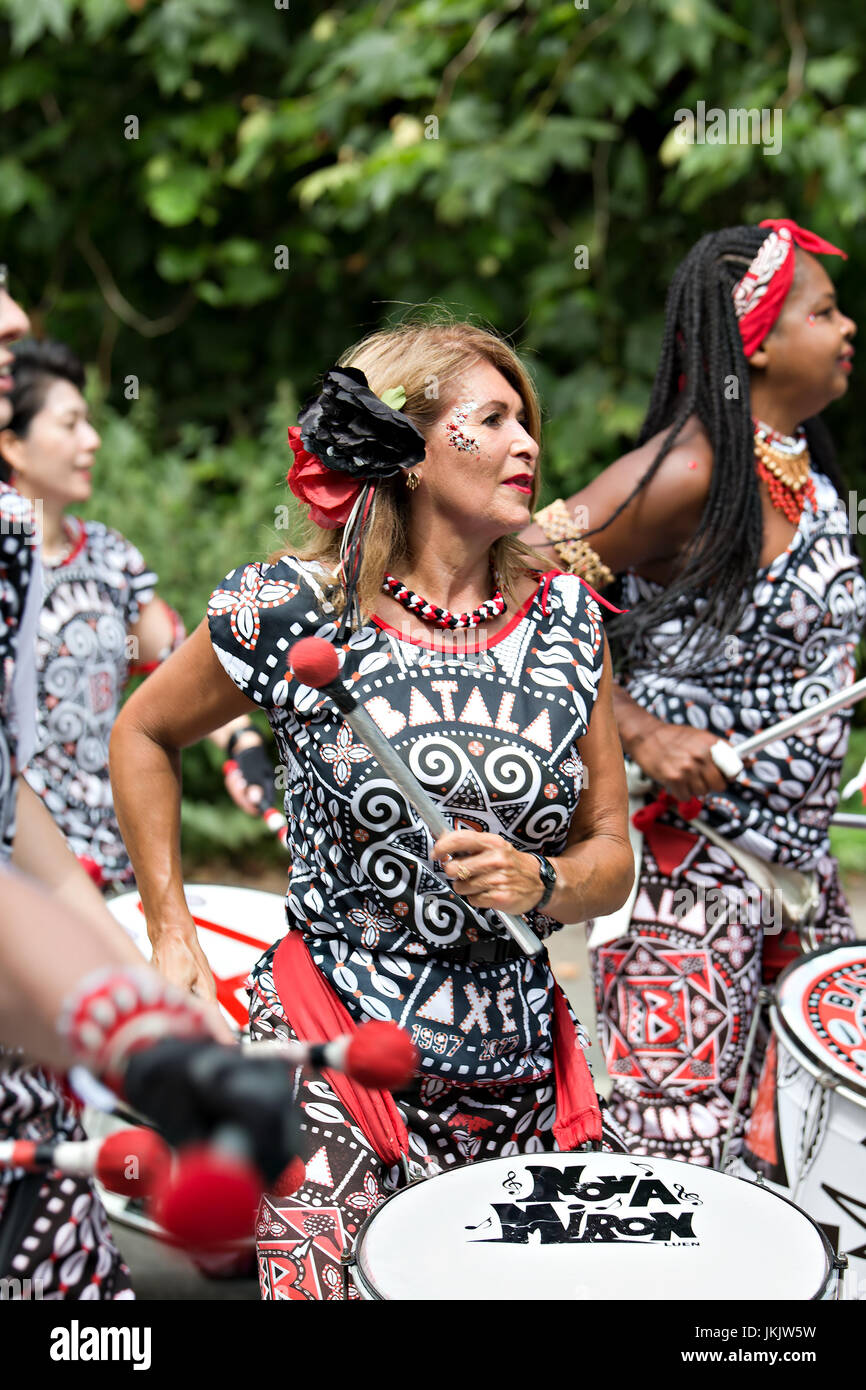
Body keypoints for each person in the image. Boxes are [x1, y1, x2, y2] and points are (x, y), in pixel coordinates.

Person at [110, 319, 634, 1299]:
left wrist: (545, 880)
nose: (527, 443)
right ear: (410, 453)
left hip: (515, 1064)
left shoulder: (567, 622)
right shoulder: (292, 609)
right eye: (491, 419)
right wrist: (170, 929)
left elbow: (612, 853)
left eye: (526, 419)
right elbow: (143, 734)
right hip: (330, 1043)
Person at [522, 218, 865, 1167]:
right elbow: (522, 578)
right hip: (694, 879)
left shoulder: (806, 471)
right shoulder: (689, 471)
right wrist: (634, 729)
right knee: (677, 1177)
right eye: (826, 311)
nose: (847, 329)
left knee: (807, 1159)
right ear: (755, 343)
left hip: (802, 880)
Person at [0, 338, 274, 893]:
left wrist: (241, 745)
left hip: (114, 861)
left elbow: (181, 667)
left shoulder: (109, 557)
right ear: (15, 447)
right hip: (21, 867)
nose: (93, 441)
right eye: (71, 424)